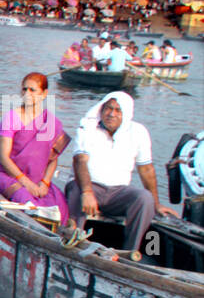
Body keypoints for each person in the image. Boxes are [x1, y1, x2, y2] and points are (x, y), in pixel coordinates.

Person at [65, 91, 178, 250]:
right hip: (88, 187)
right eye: (108, 109)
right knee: (77, 190)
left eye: (118, 110)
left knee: (144, 198)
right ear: (101, 110)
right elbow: (80, 161)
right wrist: (87, 192)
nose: (111, 114)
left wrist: (156, 204)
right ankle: (72, 242)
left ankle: (130, 252)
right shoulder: (87, 127)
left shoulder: (138, 132)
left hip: (117, 193)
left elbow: (146, 169)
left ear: (126, 114)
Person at [0, 72, 69, 224]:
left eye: (32, 90)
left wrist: (45, 183)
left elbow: (52, 159)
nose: (27, 93)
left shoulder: (51, 122)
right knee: (28, 204)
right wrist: (27, 183)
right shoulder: (12, 117)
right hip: (8, 174)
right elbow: (4, 158)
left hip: (37, 179)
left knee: (60, 206)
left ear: (44, 94)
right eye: (24, 89)